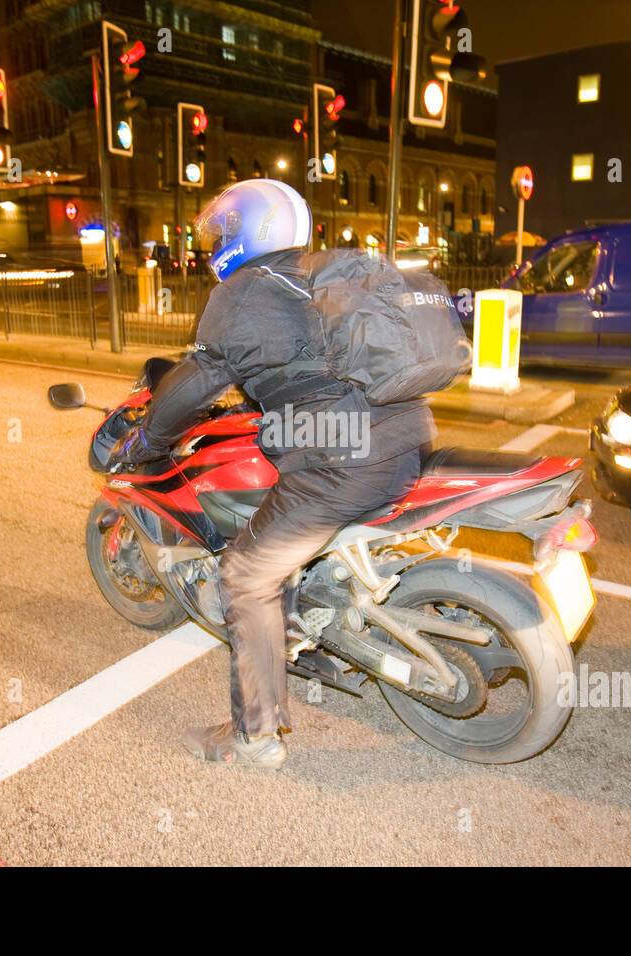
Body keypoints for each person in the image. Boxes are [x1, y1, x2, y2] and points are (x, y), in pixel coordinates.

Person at [109, 179, 435, 770]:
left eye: (223, 230)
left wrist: (148, 436)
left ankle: (254, 736)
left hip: (340, 464)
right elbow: (310, 366)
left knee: (244, 576)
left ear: (245, 231)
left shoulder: (243, 293)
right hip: (407, 439)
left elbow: (198, 380)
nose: (217, 242)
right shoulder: (321, 275)